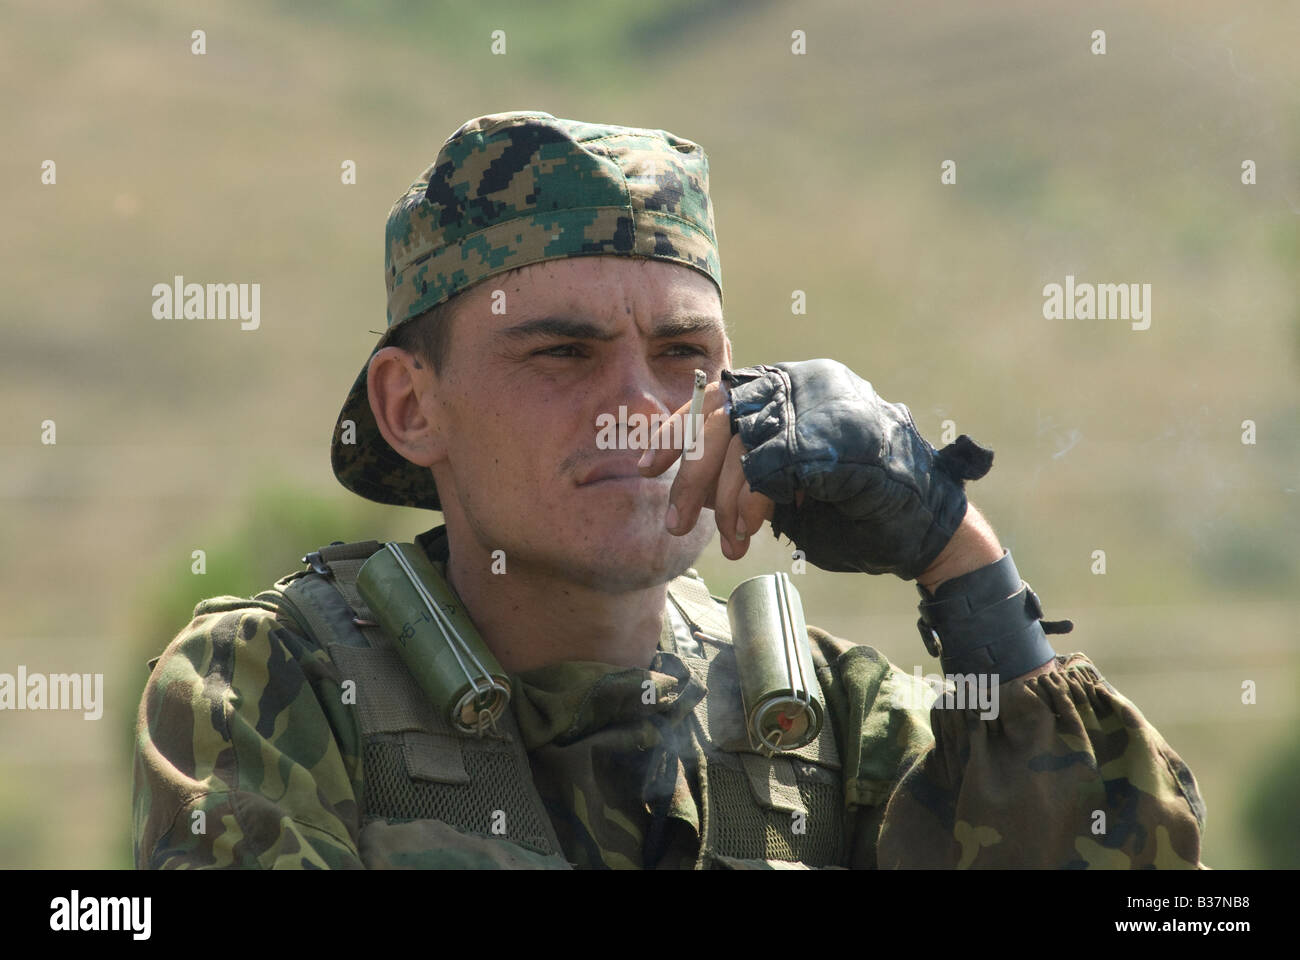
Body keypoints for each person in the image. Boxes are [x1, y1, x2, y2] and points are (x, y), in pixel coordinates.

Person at [132, 111, 1207, 869]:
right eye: (561, 354)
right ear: (412, 406)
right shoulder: (275, 685)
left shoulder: (833, 721)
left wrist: (953, 549)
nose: (637, 405)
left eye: (684, 354)